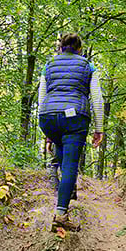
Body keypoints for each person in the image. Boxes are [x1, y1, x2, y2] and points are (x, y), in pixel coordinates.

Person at [38, 33, 103, 232]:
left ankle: (67, 190)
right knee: (70, 165)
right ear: (79, 49)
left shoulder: (48, 66)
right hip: (75, 118)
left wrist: (48, 130)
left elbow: (42, 98)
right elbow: (97, 99)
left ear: (60, 48)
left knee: (62, 151)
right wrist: (99, 129)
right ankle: (61, 213)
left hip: (48, 116)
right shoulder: (87, 66)